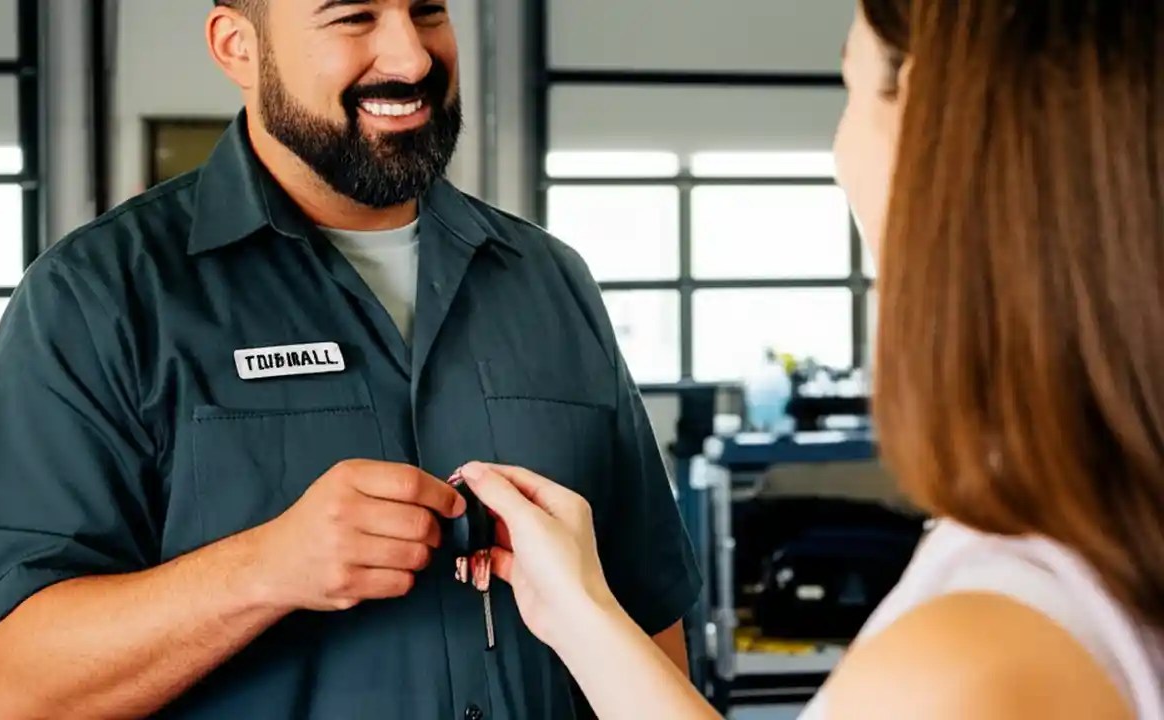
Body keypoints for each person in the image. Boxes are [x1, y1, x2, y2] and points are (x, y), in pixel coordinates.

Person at [0, 1, 699, 718]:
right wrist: (264, 570)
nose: (409, 55)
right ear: (239, 46)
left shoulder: (548, 279)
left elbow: (648, 615)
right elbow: (6, 688)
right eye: (354, 15)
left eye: (426, 8)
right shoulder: (98, 298)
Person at [456, 1, 1164, 719]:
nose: (839, 146)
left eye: (850, 88)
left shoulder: (969, 664)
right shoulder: (1092, 542)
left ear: (923, 118)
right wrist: (577, 610)